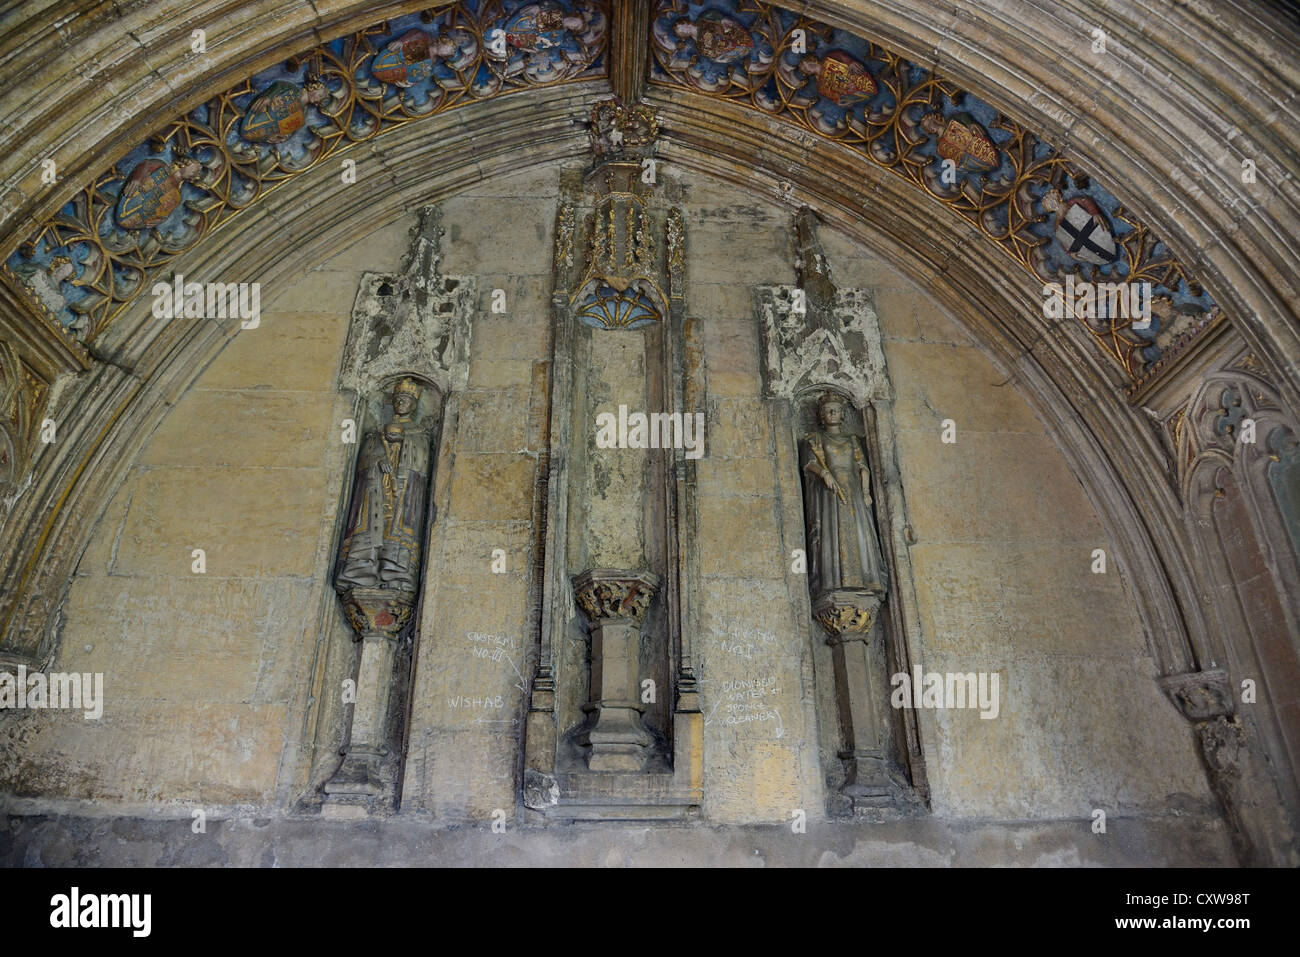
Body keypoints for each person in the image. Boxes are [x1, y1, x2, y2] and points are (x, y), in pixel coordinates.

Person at [335, 378, 435, 593]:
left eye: (406, 400)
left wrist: (403, 442)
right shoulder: (376, 433)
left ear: (414, 405)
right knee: (371, 526)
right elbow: (365, 457)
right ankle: (362, 571)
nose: (401, 404)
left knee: (396, 530)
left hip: (404, 492)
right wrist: (379, 458)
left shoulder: (419, 433)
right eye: (398, 400)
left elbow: (422, 460)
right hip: (376, 490)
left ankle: (397, 573)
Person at [799, 391, 889, 598]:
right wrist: (824, 473)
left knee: (859, 533)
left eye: (836, 410)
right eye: (828, 410)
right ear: (822, 415)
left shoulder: (852, 439)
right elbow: (810, 463)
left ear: (842, 415)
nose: (832, 413)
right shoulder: (815, 439)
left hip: (852, 490)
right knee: (831, 533)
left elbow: (862, 466)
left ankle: (865, 580)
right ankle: (832, 582)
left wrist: (866, 492)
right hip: (828, 494)